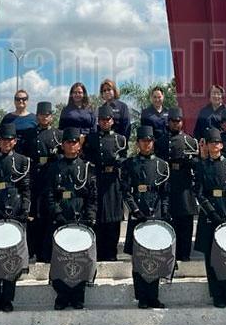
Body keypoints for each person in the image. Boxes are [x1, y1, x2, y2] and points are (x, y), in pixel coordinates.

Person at [193, 128, 226, 308]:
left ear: (222, 145)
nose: (214, 146)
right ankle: (216, 295)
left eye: (217, 143)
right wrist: (212, 213)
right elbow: (199, 194)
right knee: (211, 258)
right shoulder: (200, 166)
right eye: (211, 143)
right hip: (210, 216)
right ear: (207, 146)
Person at [45, 127, 97, 310]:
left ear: (79, 145)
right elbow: (50, 195)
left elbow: (92, 196)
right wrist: (57, 213)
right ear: (63, 144)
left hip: (80, 218)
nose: (71, 145)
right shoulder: (54, 167)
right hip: (61, 218)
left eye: (75, 142)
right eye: (68, 142)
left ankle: (78, 295)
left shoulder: (87, 167)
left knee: (80, 259)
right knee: (61, 259)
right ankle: (61, 296)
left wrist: (90, 217)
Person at [0, 123, 31, 312]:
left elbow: (25, 189)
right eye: (3, 139)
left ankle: (8, 298)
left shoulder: (22, 161)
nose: (6, 143)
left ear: (15, 141)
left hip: (15, 212)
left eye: (10, 139)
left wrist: (24, 210)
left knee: (12, 257)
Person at [122, 125, 171, 309]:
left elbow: (165, 193)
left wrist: (163, 212)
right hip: (138, 215)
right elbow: (126, 191)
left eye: (149, 140)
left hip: (155, 213)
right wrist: (135, 211)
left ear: (153, 142)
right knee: (139, 257)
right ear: (138, 143)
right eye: (143, 141)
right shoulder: (129, 164)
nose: (147, 144)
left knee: (155, 256)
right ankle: (142, 296)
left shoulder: (162, 165)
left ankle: (154, 296)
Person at [154, 107, 199, 261]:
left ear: (182, 122)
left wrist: (189, 161)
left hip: (184, 184)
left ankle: (184, 254)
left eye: (178, 121)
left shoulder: (190, 140)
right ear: (168, 122)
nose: (175, 124)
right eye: (173, 121)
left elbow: (197, 163)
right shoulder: (160, 142)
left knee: (185, 220)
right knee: (168, 219)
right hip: (168, 183)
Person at [84, 104, 128, 261]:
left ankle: (112, 254)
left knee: (113, 218)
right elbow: (87, 159)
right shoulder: (91, 139)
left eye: (107, 119)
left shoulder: (120, 139)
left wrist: (118, 161)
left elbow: (124, 158)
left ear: (112, 121)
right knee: (98, 218)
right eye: (101, 119)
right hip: (97, 181)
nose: (104, 122)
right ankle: (98, 254)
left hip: (113, 182)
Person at [20, 101, 62, 262]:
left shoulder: (58, 134)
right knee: (33, 216)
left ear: (52, 116)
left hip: (50, 178)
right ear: (37, 116)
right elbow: (23, 156)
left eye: (47, 114)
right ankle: (32, 251)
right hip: (34, 177)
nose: (45, 117)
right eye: (42, 115)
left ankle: (47, 252)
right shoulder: (30, 134)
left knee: (49, 215)